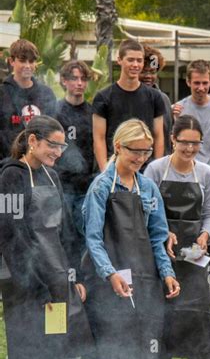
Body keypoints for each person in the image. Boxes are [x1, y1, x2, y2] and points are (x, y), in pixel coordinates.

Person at [0, 116, 96, 359]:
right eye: (52, 145)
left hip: (57, 282)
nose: (58, 151)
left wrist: (75, 276)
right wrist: (35, 284)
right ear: (32, 141)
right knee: (27, 356)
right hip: (23, 283)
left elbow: (67, 232)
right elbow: (11, 235)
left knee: (63, 352)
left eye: (61, 146)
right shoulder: (10, 175)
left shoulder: (53, 177)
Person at [82, 119, 180, 359]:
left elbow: (157, 236)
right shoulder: (100, 188)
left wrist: (166, 272)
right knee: (125, 354)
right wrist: (109, 274)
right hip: (113, 282)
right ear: (118, 147)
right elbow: (92, 239)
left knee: (146, 356)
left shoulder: (148, 189)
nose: (141, 158)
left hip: (147, 279)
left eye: (147, 152)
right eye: (135, 151)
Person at [144, 114, 210, 359]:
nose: (190, 148)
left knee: (197, 321)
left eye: (195, 143)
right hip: (160, 256)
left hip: (194, 259)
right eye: (184, 142)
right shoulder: (155, 169)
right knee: (160, 320)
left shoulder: (204, 173)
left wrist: (205, 233)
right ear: (173, 139)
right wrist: (162, 231)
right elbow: (146, 209)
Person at [172, 59, 210, 273]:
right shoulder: (179, 108)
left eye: (205, 83)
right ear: (188, 81)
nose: (201, 87)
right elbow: (175, 141)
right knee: (187, 227)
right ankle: (187, 272)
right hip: (186, 178)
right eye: (196, 83)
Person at [92, 39, 166, 172]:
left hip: (145, 171)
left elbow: (159, 136)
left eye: (139, 60)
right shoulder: (103, 97)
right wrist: (105, 172)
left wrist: (155, 169)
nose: (135, 65)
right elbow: (99, 138)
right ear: (119, 60)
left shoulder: (155, 97)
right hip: (113, 169)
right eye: (130, 60)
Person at [55, 60, 95, 253]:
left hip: (87, 186)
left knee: (86, 236)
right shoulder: (54, 111)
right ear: (64, 81)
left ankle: (86, 280)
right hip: (62, 185)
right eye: (74, 78)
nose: (79, 83)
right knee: (64, 236)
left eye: (83, 79)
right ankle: (68, 280)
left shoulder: (93, 112)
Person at [0, 39, 57, 161]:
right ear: (11, 61)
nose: (27, 66)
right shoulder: (2, 93)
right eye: (22, 60)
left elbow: (52, 132)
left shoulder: (46, 94)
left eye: (31, 61)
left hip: (39, 166)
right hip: (5, 166)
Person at [139, 45, 173, 156]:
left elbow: (168, 135)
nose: (148, 76)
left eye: (153, 72)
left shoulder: (164, 99)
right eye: (144, 71)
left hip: (160, 165)